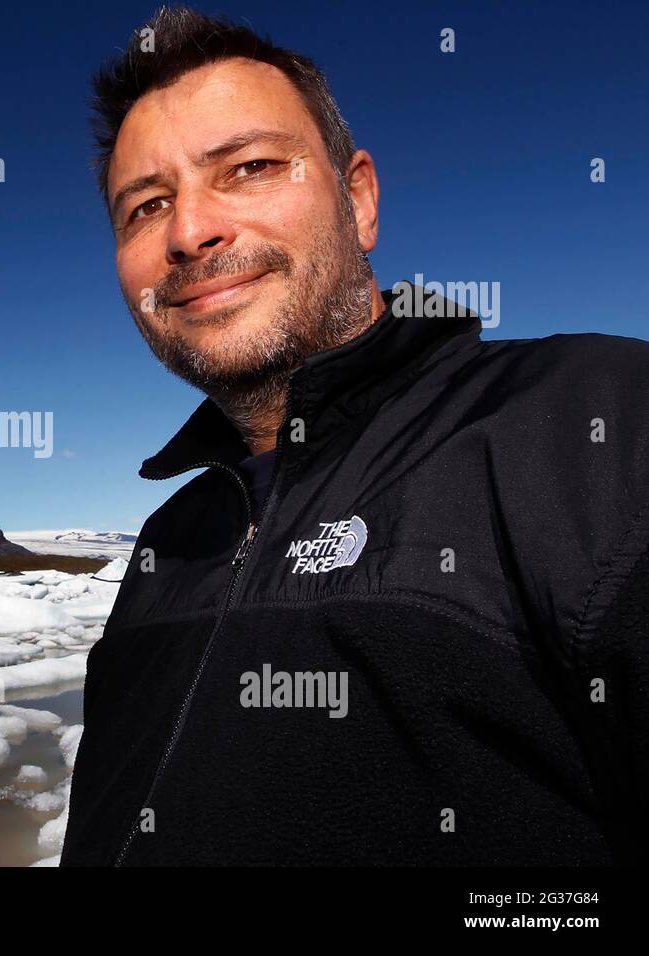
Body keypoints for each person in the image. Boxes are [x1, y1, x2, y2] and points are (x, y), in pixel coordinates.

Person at [60, 5, 648, 865]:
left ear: (360, 199)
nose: (189, 232)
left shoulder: (598, 428)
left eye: (250, 167)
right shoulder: (174, 540)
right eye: (146, 207)